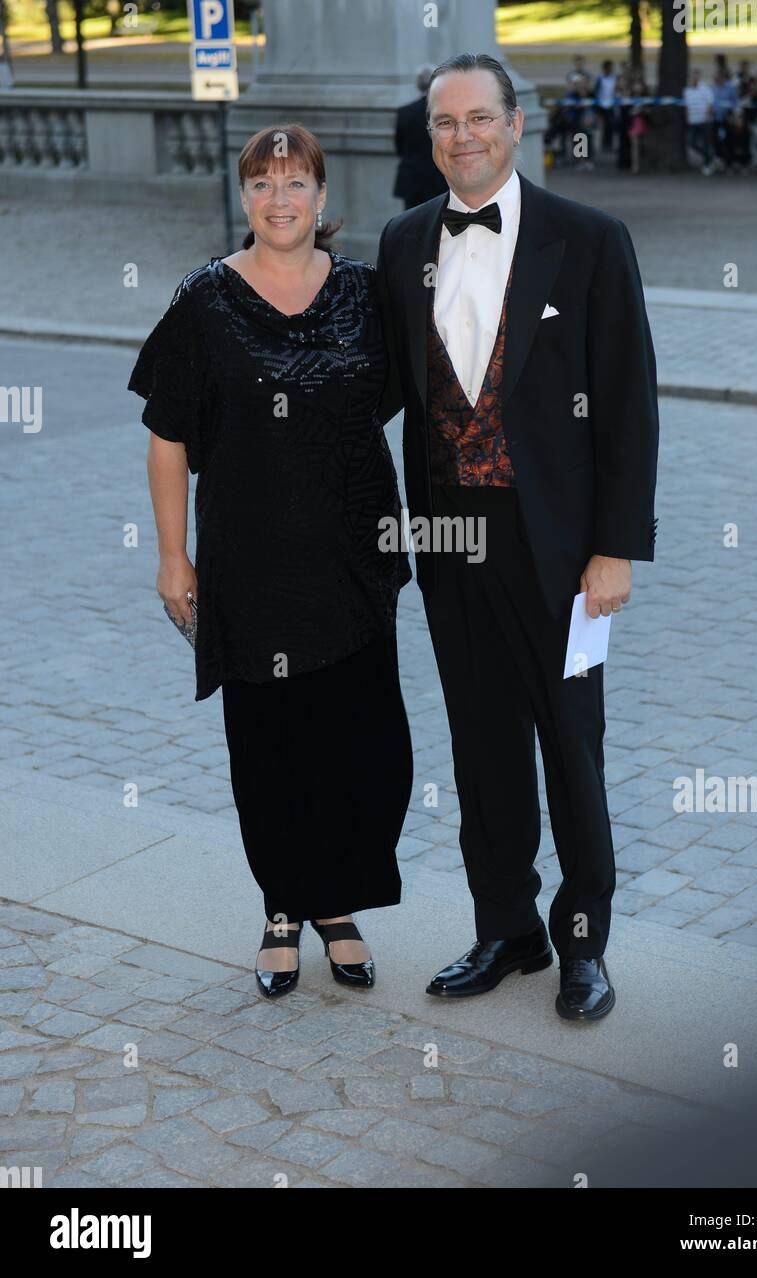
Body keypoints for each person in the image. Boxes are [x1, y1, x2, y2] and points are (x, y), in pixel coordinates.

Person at [375, 53, 659, 1022]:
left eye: (478, 118)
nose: (461, 136)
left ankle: (584, 944)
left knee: (571, 749)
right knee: (481, 744)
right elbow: (380, 392)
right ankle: (507, 926)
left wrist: (614, 548)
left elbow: (628, 404)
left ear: (516, 124)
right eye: (443, 122)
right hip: (450, 537)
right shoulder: (403, 239)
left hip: (561, 546)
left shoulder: (589, 240)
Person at [127, 122, 414, 1000]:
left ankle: (336, 896)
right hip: (250, 568)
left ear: (323, 200)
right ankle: (287, 908)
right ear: (243, 196)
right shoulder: (204, 300)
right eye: (262, 183)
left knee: (366, 750)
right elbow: (167, 437)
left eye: (296, 184)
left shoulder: (369, 293)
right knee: (271, 750)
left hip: (353, 564)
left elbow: (396, 406)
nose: (279, 199)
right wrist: (174, 558)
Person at [393, 65, 450, 209]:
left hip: (413, 180)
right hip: (440, 178)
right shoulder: (446, 112)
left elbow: (400, 147)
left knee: (411, 225)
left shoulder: (405, 112)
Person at [683, 68, 714, 173]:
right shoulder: (687, 90)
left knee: (705, 143)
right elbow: (687, 105)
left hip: (703, 120)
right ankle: (710, 156)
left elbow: (710, 104)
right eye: (693, 76)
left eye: (696, 75)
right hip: (692, 121)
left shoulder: (705, 89)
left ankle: (707, 164)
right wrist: (687, 118)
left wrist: (707, 117)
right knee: (691, 142)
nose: (694, 78)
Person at [594, 59, 618, 152]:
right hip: (601, 105)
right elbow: (597, 91)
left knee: (610, 125)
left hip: (611, 105)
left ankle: (609, 143)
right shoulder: (600, 78)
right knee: (601, 125)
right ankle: (602, 144)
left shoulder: (614, 78)